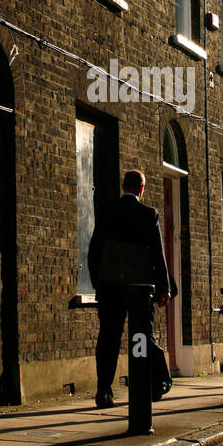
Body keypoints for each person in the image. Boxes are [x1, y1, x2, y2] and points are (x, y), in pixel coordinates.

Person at [87, 168, 173, 408]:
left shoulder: (106, 212)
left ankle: (104, 390)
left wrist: (97, 282)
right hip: (139, 290)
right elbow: (158, 254)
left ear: (123, 186)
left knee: (108, 339)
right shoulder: (148, 214)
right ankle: (142, 385)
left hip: (110, 287)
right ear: (142, 189)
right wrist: (163, 288)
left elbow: (94, 250)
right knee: (141, 337)